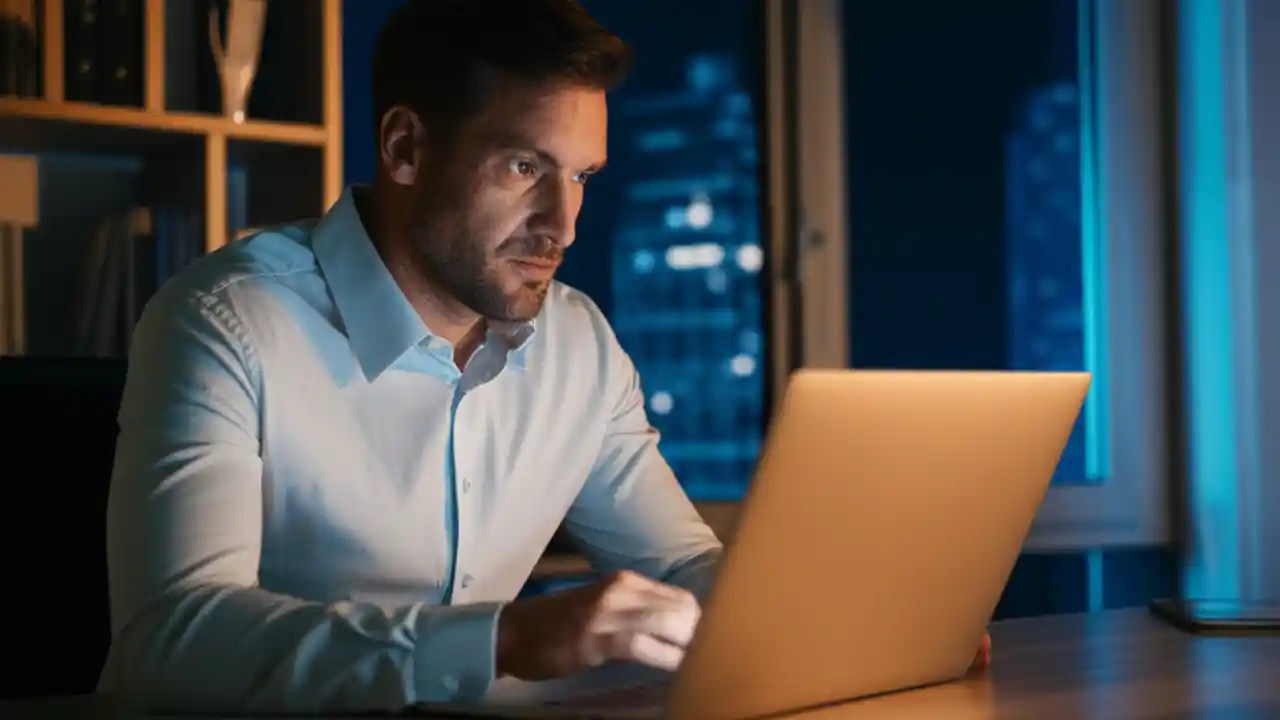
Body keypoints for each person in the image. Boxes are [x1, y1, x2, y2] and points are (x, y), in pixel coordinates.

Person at [98, 0, 989, 713]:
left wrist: (868, 626)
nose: (564, 225)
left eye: (584, 178)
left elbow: (683, 569)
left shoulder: (579, 345)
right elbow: (171, 640)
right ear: (406, 147)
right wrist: (504, 641)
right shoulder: (226, 321)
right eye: (524, 168)